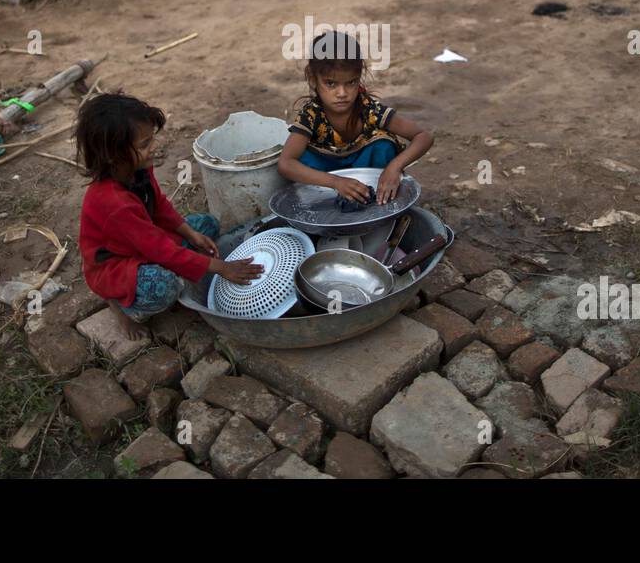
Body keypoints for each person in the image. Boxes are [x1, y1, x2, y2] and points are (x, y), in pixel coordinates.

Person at [76, 92, 262, 339]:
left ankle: (188, 261)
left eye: (151, 139)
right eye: (144, 145)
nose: (154, 147)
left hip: (143, 241)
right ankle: (123, 307)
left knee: (206, 226)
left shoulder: (136, 169)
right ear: (113, 154)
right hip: (116, 265)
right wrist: (221, 268)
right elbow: (160, 250)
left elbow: (159, 206)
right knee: (166, 286)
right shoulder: (113, 203)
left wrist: (190, 234)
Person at [277, 30, 434, 205]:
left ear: (359, 77)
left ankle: (380, 198)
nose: (342, 93)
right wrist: (335, 182)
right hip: (325, 182)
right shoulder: (311, 115)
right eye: (331, 83)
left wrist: (394, 167)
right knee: (303, 158)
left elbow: (423, 136)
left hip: (369, 179)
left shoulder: (369, 110)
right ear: (313, 79)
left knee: (383, 145)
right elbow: (285, 164)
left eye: (351, 82)